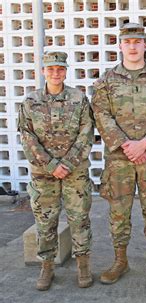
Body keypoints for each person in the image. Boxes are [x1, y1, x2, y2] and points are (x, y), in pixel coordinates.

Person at [92, 23, 146, 284]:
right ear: (120, 46)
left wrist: (145, 144)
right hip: (119, 158)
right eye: (127, 42)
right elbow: (101, 115)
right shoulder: (106, 81)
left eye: (137, 41)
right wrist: (126, 144)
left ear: (145, 46)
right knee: (119, 210)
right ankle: (120, 261)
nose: (132, 46)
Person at [19, 51, 94, 290]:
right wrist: (51, 165)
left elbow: (86, 134)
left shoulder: (78, 98)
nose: (55, 73)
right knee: (45, 221)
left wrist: (68, 164)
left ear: (65, 71)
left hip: (75, 172)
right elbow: (27, 137)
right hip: (44, 173)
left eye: (60, 69)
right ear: (43, 71)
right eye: (51, 69)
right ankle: (47, 267)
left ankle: (83, 265)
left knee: (79, 219)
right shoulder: (31, 101)